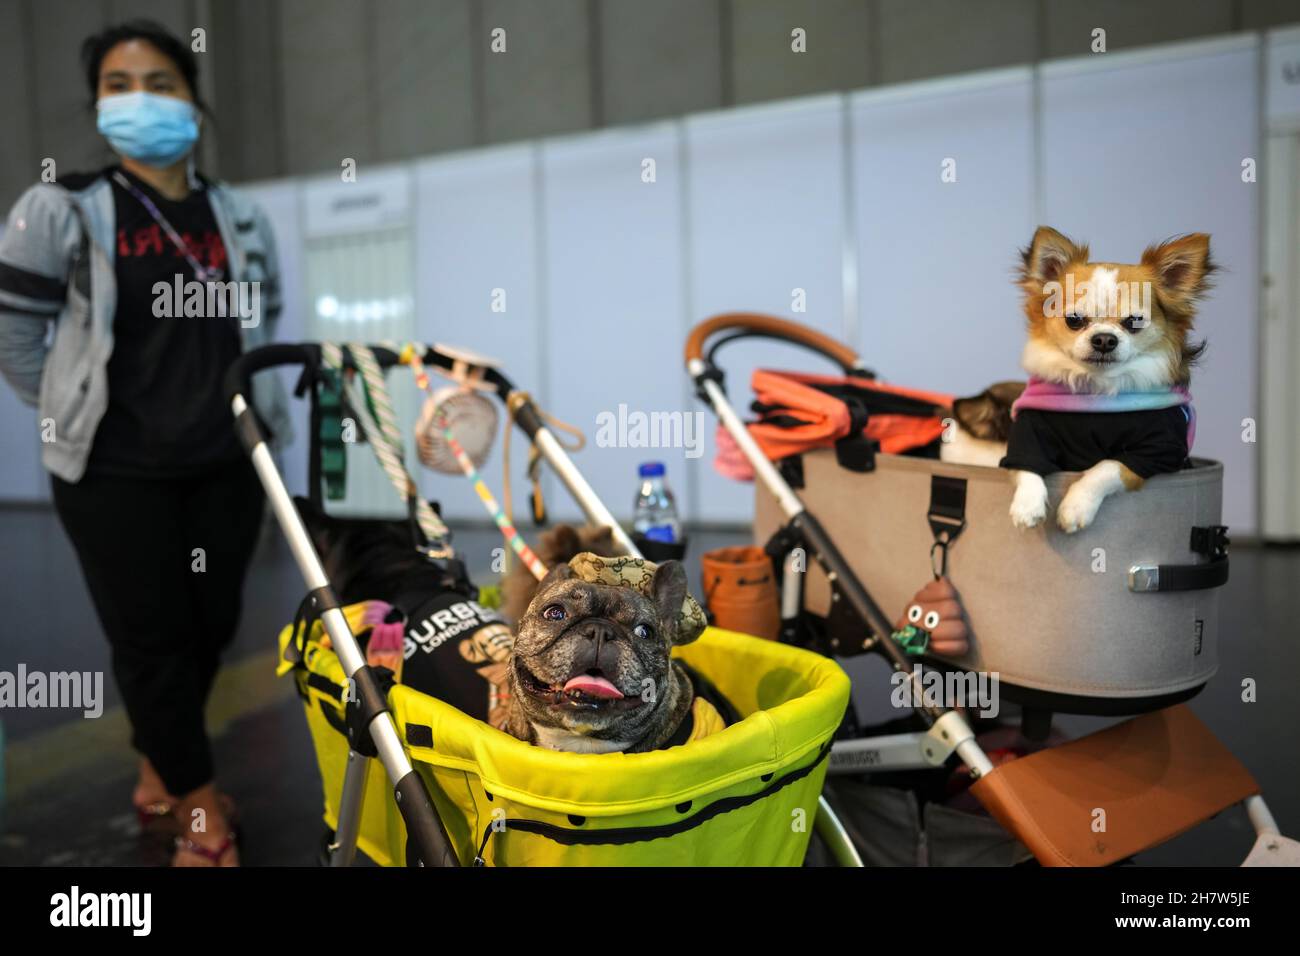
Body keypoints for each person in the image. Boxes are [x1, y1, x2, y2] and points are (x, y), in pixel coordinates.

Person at [0, 20, 292, 866]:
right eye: (119, 84)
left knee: (210, 630)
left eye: (160, 82)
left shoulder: (236, 215)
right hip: (114, 471)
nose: (140, 99)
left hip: (225, 461)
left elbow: (259, 323)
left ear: (192, 101)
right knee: (153, 640)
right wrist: (67, 408)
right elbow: (16, 340)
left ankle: (157, 771)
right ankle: (201, 819)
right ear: (97, 106)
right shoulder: (62, 209)